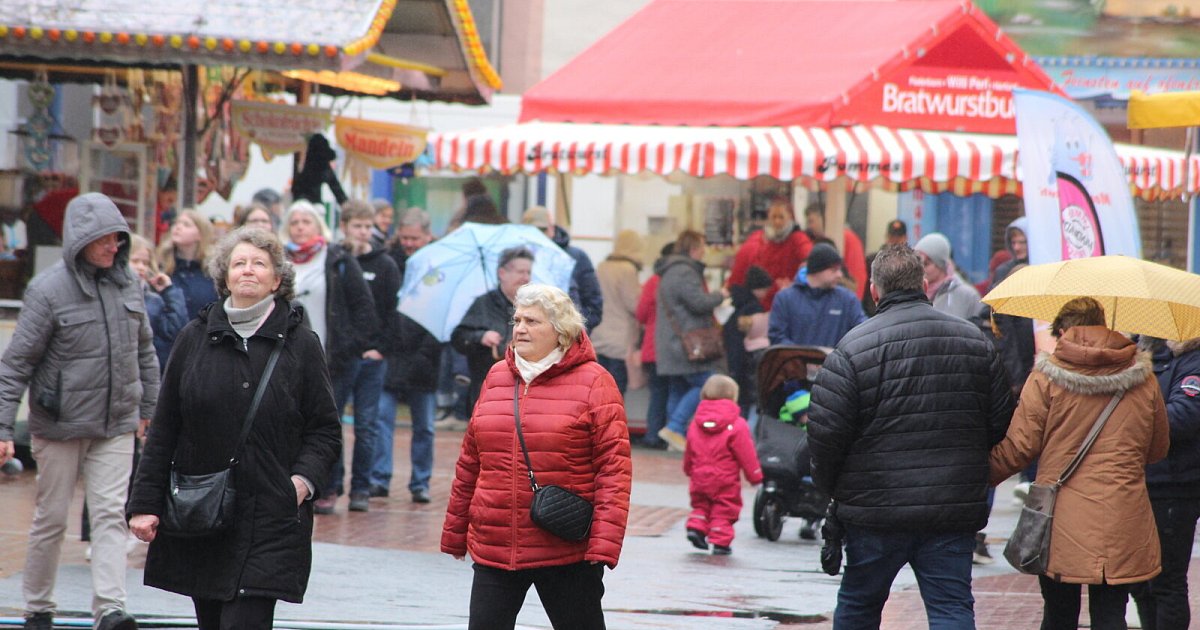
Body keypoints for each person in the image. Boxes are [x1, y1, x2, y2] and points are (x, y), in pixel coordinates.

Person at [128, 227, 341, 630]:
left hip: (271, 514)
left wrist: (300, 483)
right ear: (224, 275)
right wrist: (144, 503)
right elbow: (166, 426)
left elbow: (325, 430)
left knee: (247, 619)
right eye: (239, 263)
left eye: (259, 264)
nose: (248, 271)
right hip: (205, 513)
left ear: (276, 280)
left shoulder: (301, 344)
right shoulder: (194, 338)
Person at [807, 244, 1014, 629]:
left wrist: (835, 489)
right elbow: (1001, 421)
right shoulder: (973, 342)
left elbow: (825, 436)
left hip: (874, 509)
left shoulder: (852, 348)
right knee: (951, 607)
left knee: (859, 605)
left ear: (874, 290)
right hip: (951, 507)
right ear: (922, 284)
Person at [0, 192, 160, 630]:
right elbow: (15, 364)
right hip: (60, 425)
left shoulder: (130, 283)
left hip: (116, 423)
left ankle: (110, 608)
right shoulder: (47, 290)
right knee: (51, 519)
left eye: (118, 239)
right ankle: (38, 607)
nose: (114, 247)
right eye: (105, 239)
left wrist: (151, 407)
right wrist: (2, 426)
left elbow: (145, 350)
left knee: (110, 514)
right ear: (80, 240)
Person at [441, 283, 631, 630]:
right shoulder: (498, 376)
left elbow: (613, 470)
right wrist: (455, 531)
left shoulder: (594, 381)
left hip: (564, 547)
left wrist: (603, 545)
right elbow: (471, 459)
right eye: (517, 320)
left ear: (561, 331)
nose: (521, 329)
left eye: (532, 321)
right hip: (495, 545)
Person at [990, 297, 1168, 630]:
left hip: (1060, 520)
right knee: (1111, 615)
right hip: (1123, 517)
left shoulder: (1046, 378)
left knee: (1058, 615)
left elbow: (1020, 447)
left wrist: (977, 475)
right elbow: (1157, 448)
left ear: (1066, 330)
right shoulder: (1144, 379)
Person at [283, 201, 381, 514]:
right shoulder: (279, 260)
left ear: (318, 225)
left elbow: (364, 308)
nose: (300, 226)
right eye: (295, 221)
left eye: (306, 221)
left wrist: (350, 346)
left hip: (333, 359)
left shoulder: (338, 259)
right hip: (287, 358)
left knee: (326, 422)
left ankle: (328, 486)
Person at [1132, 335, 1200, 630]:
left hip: (1174, 486)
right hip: (1138, 482)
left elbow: (1182, 417)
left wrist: (1129, 419)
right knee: (1140, 582)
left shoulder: (1192, 360)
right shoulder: (1144, 354)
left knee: (1166, 580)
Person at [655, 231, 726, 451]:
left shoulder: (669, 271)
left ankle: (674, 438)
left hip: (673, 342)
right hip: (686, 343)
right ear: (693, 249)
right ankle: (676, 428)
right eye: (702, 248)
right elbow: (698, 303)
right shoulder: (685, 272)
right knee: (705, 383)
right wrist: (720, 295)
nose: (704, 252)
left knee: (678, 387)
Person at [683, 374, 763, 555]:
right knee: (724, 508)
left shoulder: (696, 423)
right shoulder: (737, 424)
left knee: (701, 504)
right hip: (725, 479)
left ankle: (695, 526)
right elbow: (746, 454)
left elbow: (690, 449)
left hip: (699, 476)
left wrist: (688, 469)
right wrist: (756, 476)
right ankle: (720, 541)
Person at [451, 246, 532, 417]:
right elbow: (458, 338)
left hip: (524, 394)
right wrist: (480, 337)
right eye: (520, 272)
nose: (525, 278)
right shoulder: (483, 304)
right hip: (487, 392)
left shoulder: (534, 307)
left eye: (528, 272)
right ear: (502, 273)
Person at [767, 243, 866, 347]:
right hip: (795, 362)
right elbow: (776, 337)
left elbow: (862, 333)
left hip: (834, 362)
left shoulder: (848, 300)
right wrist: (800, 357)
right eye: (834, 270)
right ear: (817, 270)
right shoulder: (785, 299)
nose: (840, 275)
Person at [521, 206, 603, 331]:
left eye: (542, 229)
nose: (537, 235)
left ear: (552, 229)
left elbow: (594, 306)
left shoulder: (576, 257)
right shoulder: (516, 259)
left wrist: (572, 328)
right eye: (532, 230)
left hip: (565, 338)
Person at [725, 198, 813, 310]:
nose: (777, 221)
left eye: (781, 217)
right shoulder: (761, 240)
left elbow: (811, 261)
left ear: (790, 217)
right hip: (766, 302)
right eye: (774, 217)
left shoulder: (798, 239)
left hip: (786, 302)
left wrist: (797, 284)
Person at [634, 242, 676, 450]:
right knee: (675, 390)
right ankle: (672, 434)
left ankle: (653, 434)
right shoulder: (685, 280)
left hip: (653, 344)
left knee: (658, 392)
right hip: (678, 346)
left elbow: (641, 313)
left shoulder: (653, 281)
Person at [591, 229, 643, 393]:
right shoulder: (628, 269)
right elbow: (634, 304)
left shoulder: (602, 266)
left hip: (599, 333)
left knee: (599, 386)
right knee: (616, 388)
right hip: (619, 338)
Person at [129, 234, 188, 372]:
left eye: (146, 263)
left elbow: (176, 331)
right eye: (135, 261)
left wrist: (169, 291)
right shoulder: (111, 296)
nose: (141, 267)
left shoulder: (153, 300)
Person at [724, 265, 771, 419]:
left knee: (738, 401)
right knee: (748, 403)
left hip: (733, 357)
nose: (766, 294)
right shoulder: (754, 308)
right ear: (758, 288)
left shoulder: (737, 303)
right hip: (747, 359)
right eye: (765, 289)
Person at [157, 208, 218, 319]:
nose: (178, 227)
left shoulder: (212, 273)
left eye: (186, 224)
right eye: (176, 223)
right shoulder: (161, 267)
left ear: (200, 234)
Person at [913, 232, 983, 322]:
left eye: (926, 264)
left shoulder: (968, 296)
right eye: (917, 263)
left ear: (940, 265)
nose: (921, 269)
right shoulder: (911, 292)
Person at [804, 203, 868, 300]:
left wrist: (855, 300)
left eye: (811, 221)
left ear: (823, 218)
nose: (809, 226)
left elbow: (857, 273)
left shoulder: (847, 238)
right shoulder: (815, 241)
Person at [862, 219, 907, 316]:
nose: (895, 241)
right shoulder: (871, 260)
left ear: (905, 238)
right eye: (892, 237)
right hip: (873, 313)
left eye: (899, 237)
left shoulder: (910, 264)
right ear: (886, 237)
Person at [291, 133, 347, 206]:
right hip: (310, 203)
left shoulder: (311, 166)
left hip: (306, 203)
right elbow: (336, 189)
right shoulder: (322, 167)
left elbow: (335, 187)